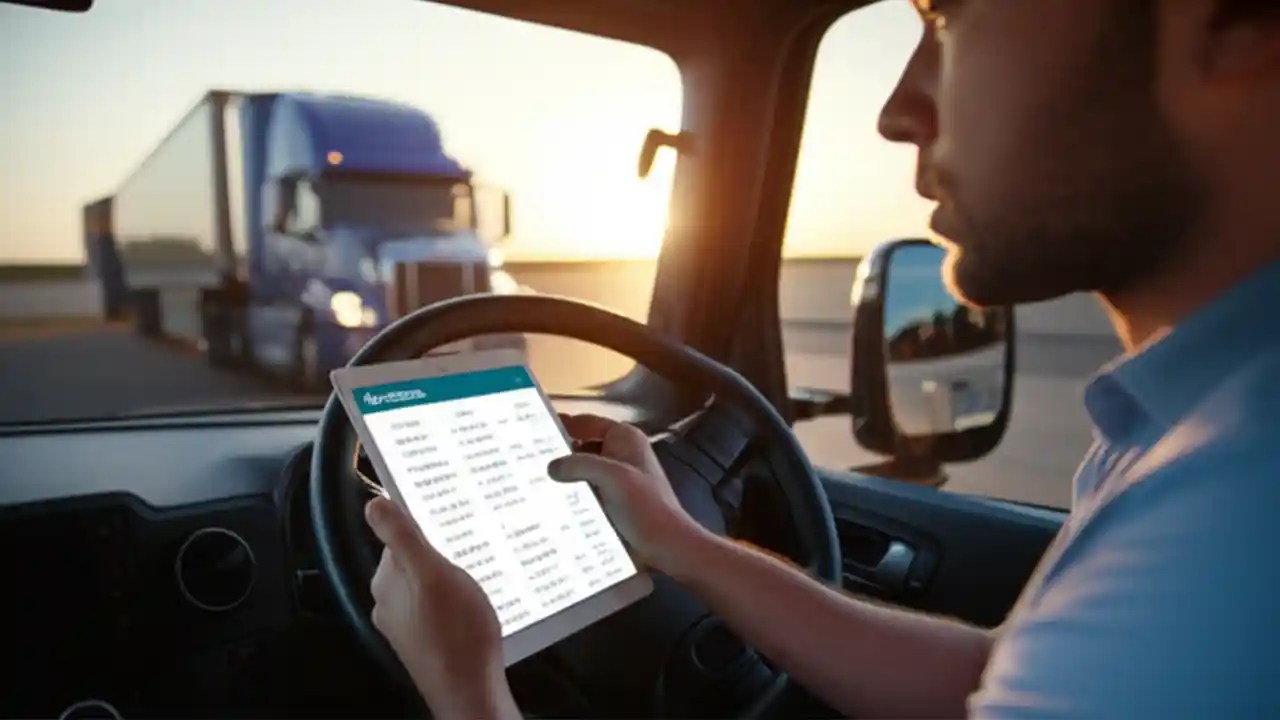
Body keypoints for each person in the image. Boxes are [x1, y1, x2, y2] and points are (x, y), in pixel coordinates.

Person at [363, 0, 1280, 716]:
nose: (896, 110)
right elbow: (996, 683)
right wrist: (686, 548)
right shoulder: (1188, 425)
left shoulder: (1234, 513)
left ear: (1225, 18)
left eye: (949, 18)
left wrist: (465, 686)